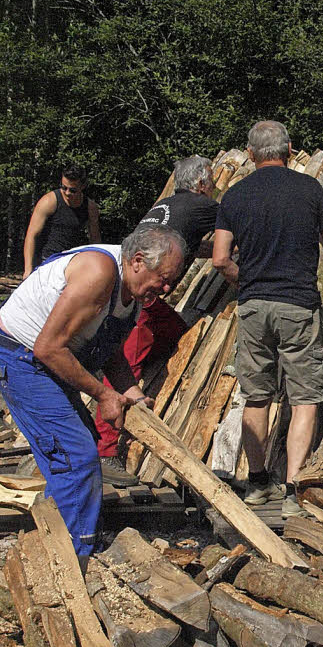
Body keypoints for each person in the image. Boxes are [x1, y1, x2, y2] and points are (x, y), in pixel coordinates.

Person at [0, 224, 185, 561]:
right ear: (138, 261)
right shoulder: (99, 272)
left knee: (78, 445)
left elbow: (110, 352)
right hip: (22, 357)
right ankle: (74, 556)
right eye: (163, 278)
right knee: (75, 454)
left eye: (172, 282)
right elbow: (48, 347)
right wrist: (105, 396)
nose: (167, 288)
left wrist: (133, 394)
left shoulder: (134, 296)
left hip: (46, 358)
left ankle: (58, 535)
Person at [212, 120, 323, 517]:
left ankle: (256, 484)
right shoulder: (309, 189)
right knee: (304, 399)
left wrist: (247, 278)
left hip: (254, 306)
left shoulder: (235, 195)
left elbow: (220, 258)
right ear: (289, 149)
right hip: (297, 306)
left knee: (256, 395)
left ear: (250, 154)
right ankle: (292, 491)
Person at [92, 155, 220, 485]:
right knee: (124, 367)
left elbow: (190, 246)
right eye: (212, 182)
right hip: (142, 298)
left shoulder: (168, 207)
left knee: (176, 330)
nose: (214, 188)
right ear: (202, 183)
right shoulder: (201, 206)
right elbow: (239, 225)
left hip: (136, 290)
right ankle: (106, 452)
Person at [23, 165, 102, 278]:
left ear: (83, 186)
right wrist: (28, 269)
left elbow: (95, 241)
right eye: (64, 187)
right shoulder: (49, 201)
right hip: (47, 260)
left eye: (73, 190)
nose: (67, 193)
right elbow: (32, 235)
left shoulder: (90, 207)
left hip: (73, 262)